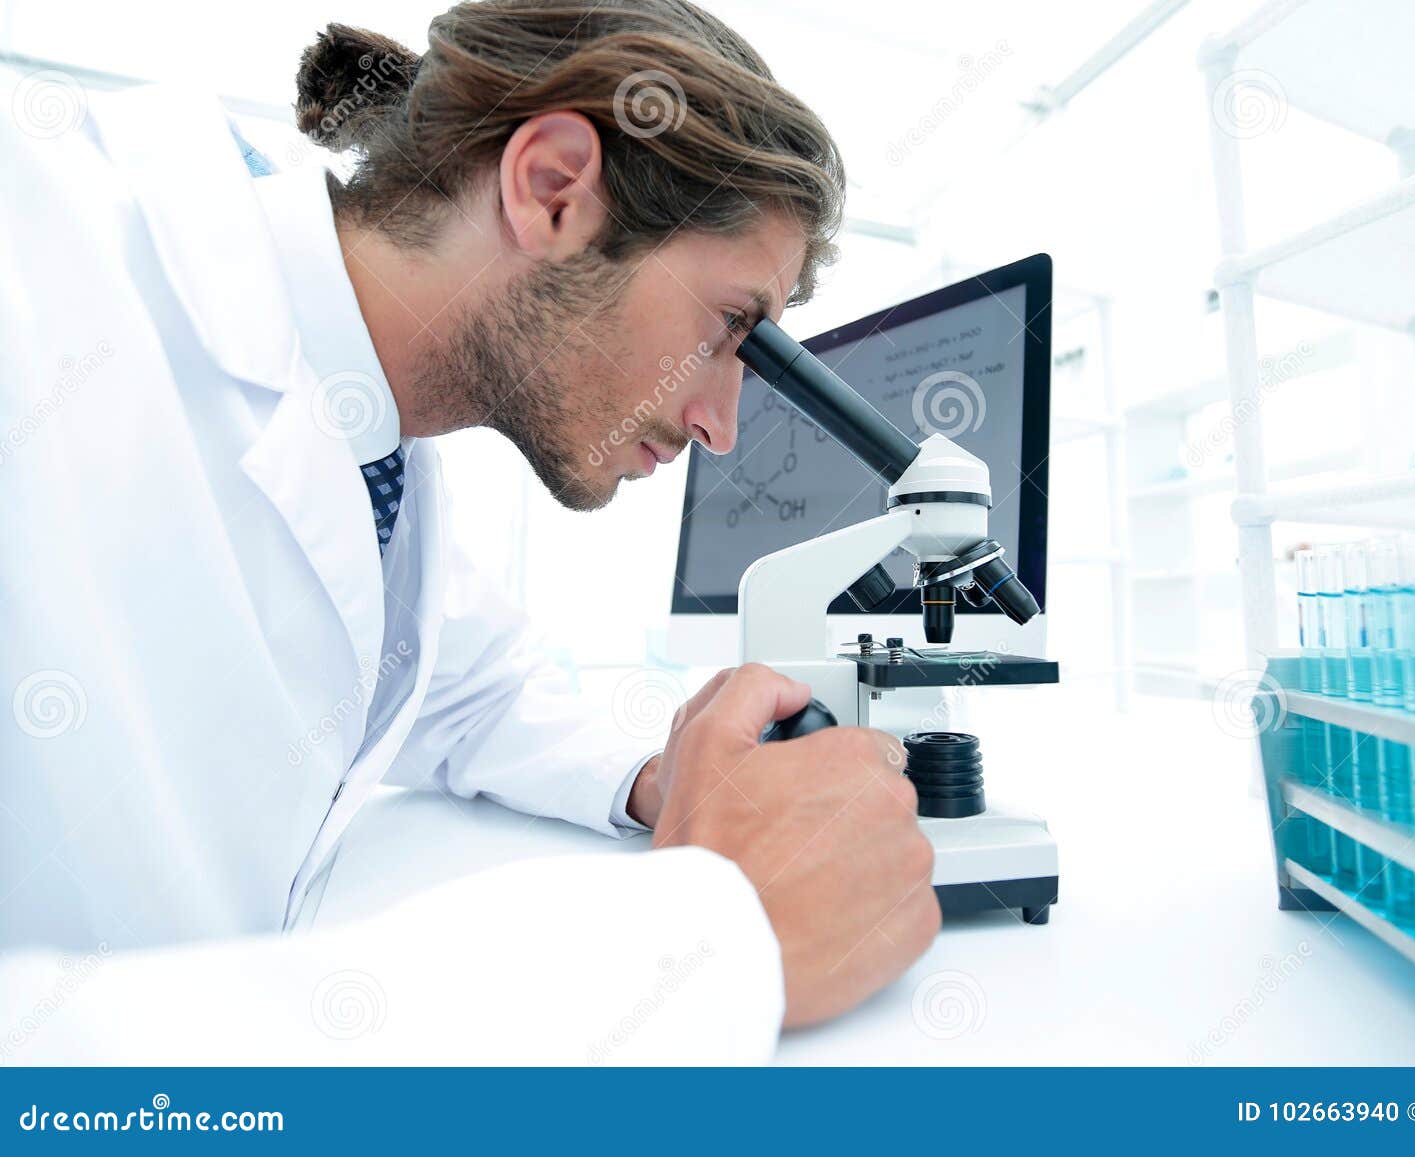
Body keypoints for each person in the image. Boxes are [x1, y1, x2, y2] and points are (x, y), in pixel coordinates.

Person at [0, 0, 938, 1062]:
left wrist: (668, 772)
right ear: (551, 190)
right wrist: (707, 943)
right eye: (730, 330)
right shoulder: (33, 262)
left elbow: (474, 686)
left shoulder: (380, 444)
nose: (720, 426)